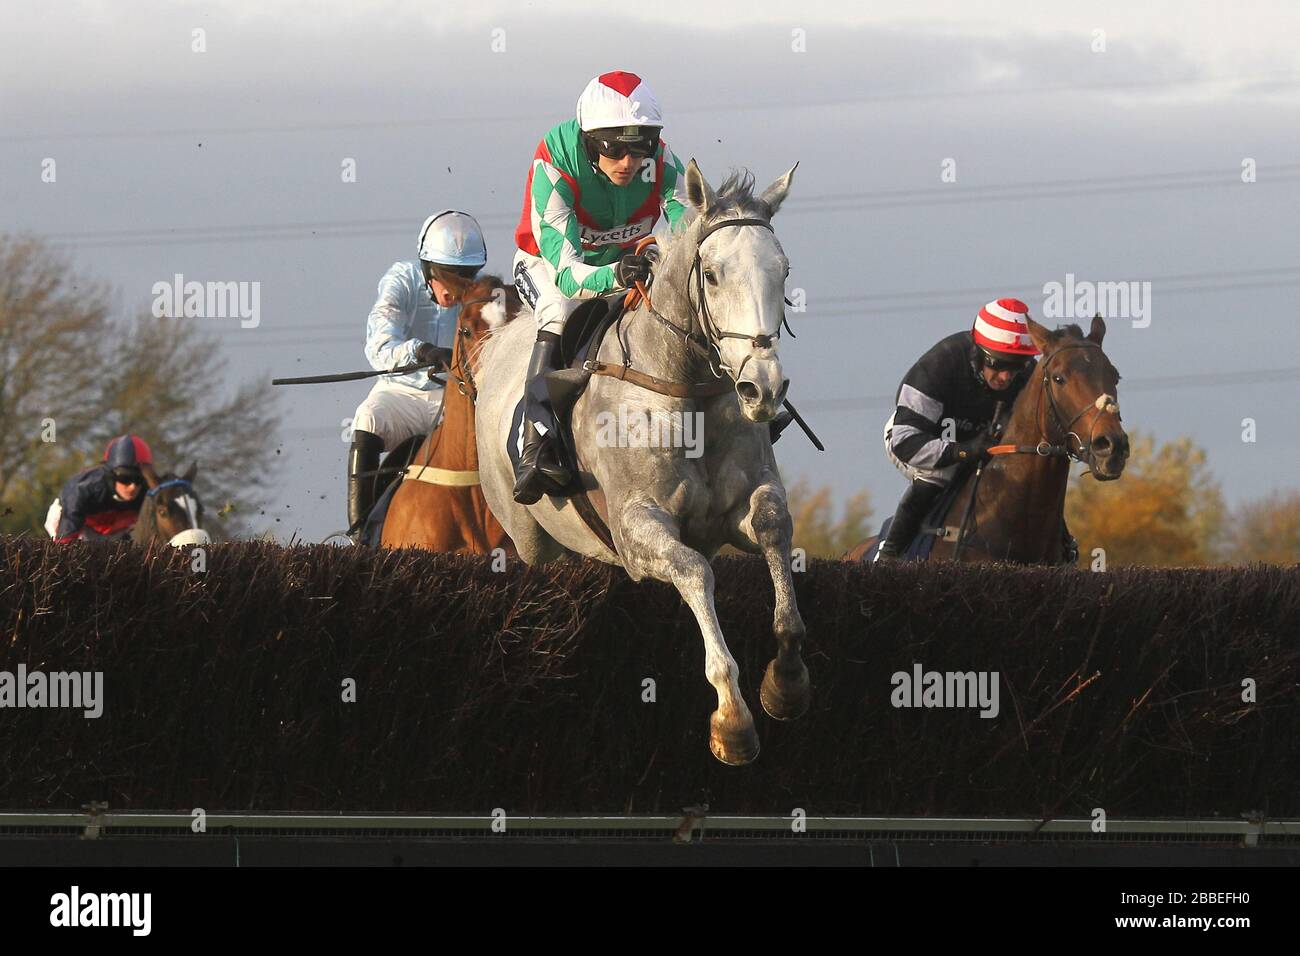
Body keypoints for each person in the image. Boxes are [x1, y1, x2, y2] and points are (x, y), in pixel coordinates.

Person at [510, 70, 691, 504]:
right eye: (614, 148)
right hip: (550, 266)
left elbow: (690, 226)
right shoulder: (554, 162)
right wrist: (616, 273)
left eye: (641, 146)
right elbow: (569, 274)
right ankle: (535, 441)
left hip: (625, 265)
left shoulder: (662, 163)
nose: (629, 162)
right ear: (591, 143)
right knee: (559, 311)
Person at [875, 298, 1049, 562]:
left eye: (1015, 366)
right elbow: (905, 441)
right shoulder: (938, 366)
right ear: (978, 353)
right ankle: (888, 557)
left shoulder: (1026, 375)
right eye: (999, 363)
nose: (1006, 377)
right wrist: (965, 451)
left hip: (980, 443)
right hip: (917, 439)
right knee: (938, 475)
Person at [347, 210, 488, 535]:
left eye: (466, 276)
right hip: (401, 394)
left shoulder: (483, 296)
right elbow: (379, 346)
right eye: (448, 276)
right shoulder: (401, 280)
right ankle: (358, 534)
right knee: (368, 417)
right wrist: (421, 350)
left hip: (456, 399)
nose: (457, 289)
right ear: (426, 269)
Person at [45, 434, 152, 542]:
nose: (133, 486)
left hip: (117, 529)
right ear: (110, 475)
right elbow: (66, 539)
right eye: (125, 478)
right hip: (76, 522)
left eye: (139, 479)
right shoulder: (82, 489)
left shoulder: (148, 491)